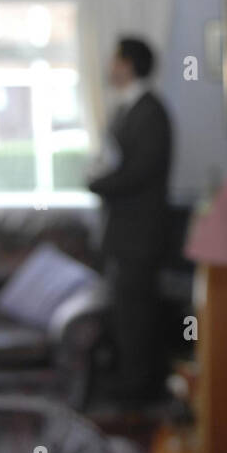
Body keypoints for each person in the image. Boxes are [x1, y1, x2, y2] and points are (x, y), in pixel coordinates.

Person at [88, 36, 173, 407]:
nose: (109, 65)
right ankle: (131, 383)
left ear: (129, 64)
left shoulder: (151, 112)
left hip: (140, 236)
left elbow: (139, 172)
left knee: (137, 316)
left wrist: (96, 183)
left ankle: (139, 394)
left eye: (115, 58)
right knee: (125, 314)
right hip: (123, 235)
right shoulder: (125, 108)